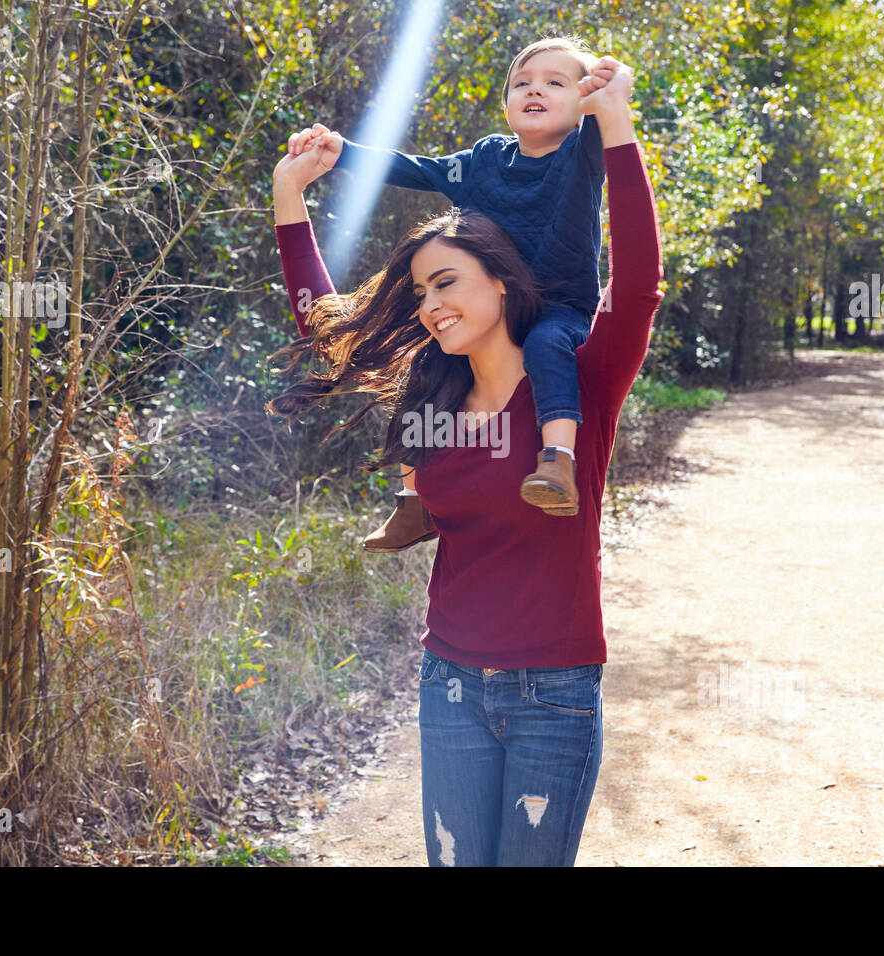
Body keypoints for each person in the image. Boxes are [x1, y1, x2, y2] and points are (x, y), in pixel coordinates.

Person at [266, 55, 662, 866]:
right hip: (449, 682)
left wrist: (615, 126)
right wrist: (289, 196)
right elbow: (327, 329)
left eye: (445, 281)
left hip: (555, 689)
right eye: (418, 291)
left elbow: (640, 277)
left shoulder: (584, 380)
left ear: (499, 280)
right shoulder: (432, 387)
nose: (429, 303)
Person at [287, 35, 608, 551]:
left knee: (548, 347)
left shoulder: (581, 156)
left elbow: (605, 127)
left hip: (558, 308)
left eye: (555, 82)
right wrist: (343, 152)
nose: (535, 89)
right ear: (505, 105)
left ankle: (558, 464)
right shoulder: (484, 163)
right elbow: (420, 169)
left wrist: (609, 94)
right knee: (426, 369)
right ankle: (413, 502)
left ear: (582, 103)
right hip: (491, 309)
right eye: (522, 83)